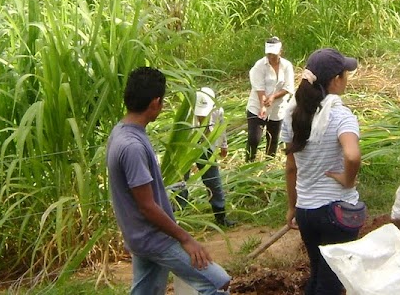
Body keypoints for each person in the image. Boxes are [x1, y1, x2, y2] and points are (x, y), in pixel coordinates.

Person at [106, 67, 231, 295]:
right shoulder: (132, 146)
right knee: (216, 282)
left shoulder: (121, 131)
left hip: (140, 236)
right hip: (154, 238)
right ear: (155, 103)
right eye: (162, 102)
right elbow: (146, 205)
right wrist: (186, 239)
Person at [283, 48, 364, 295]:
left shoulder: (294, 115)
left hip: (307, 212)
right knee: (331, 282)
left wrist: (292, 206)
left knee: (318, 272)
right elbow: (352, 155)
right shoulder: (340, 116)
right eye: (345, 74)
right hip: (336, 213)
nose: (347, 78)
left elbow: (290, 168)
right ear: (335, 80)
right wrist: (347, 180)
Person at [178, 87, 232, 227]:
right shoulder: (186, 115)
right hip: (186, 147)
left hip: (207, 147)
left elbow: (221, 129)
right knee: (180, 182)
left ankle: (220, 216)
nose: (202, 118)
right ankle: (176, 214)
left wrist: (223, 145)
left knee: (213, 181)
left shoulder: (217, 111)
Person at [247, 36, 295, 161]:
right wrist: (263, 105)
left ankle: (269, 165)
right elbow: (259, 87)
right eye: (269, 54)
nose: (271, 57)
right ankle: (249, 163)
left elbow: (288, 87)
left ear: (280, 51)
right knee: (254, 139)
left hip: (278, 108)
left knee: (273, 138)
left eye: (274, 54)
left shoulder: (287, 66)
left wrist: (274, 96)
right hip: (258, 106)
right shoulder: (259, 66)